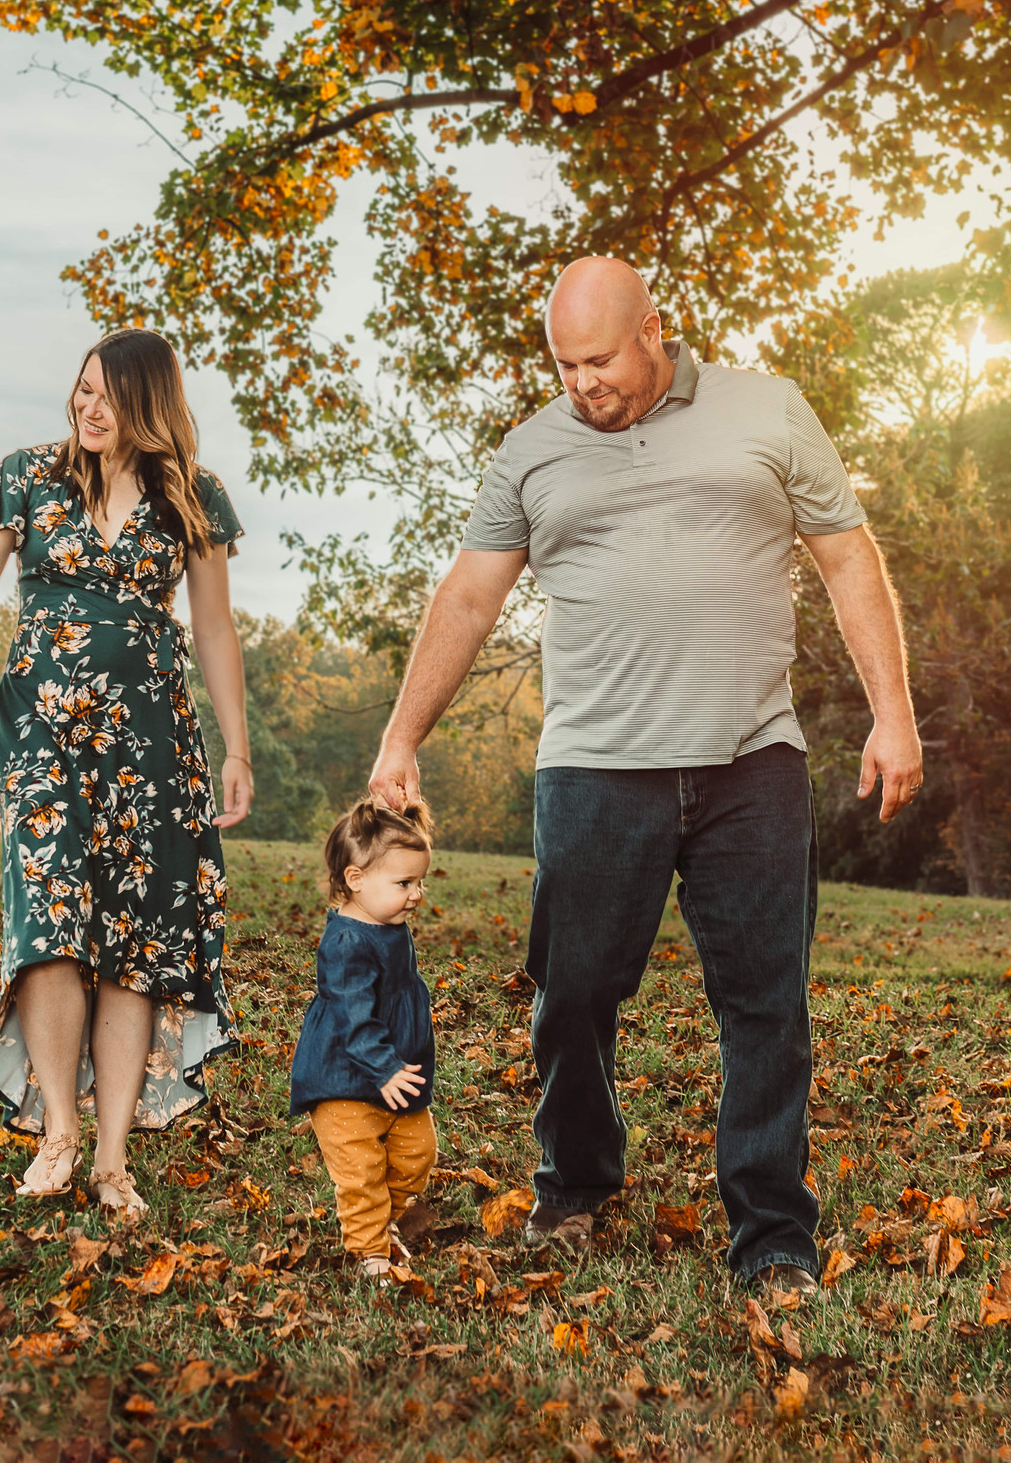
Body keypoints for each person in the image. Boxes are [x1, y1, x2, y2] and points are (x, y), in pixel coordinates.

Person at [367, 256, 923, 1292]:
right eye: (564, 364)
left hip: (750, 761)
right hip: (592, 767)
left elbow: (849, 555)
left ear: (655, 330)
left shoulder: (769, 409)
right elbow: (466, 602)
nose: (582, 384)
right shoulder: (531, 452)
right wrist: (401, 737)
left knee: (765, 1002)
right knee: (570, 992)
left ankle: (771, 1236)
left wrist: (893, 714)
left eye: (600, 359)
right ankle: (574, 1180)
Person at [0, 328, 253, 1220]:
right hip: (42, 738)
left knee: (133, 943)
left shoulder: (194, 497)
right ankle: (58, 1133)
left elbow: (216, 630)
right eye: (80, 389)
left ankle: (113, 1158)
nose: (87, 406)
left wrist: (235, 748)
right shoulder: (28, 476)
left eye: (107, 395)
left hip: (153, 748)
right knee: (48, 927)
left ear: (148, 404)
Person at [290, 798, 439, 1277]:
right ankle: (368, 1251)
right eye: (404, 884)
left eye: (420, 882)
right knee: (361, 1173)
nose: (416, 894)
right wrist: (386, 1066)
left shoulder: (391, 925)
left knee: (418, 1155)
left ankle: (383, 1220)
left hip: (397, 1072)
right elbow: (354, 1015)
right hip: (346, 1078)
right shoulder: (346, 942)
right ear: (356, 881)